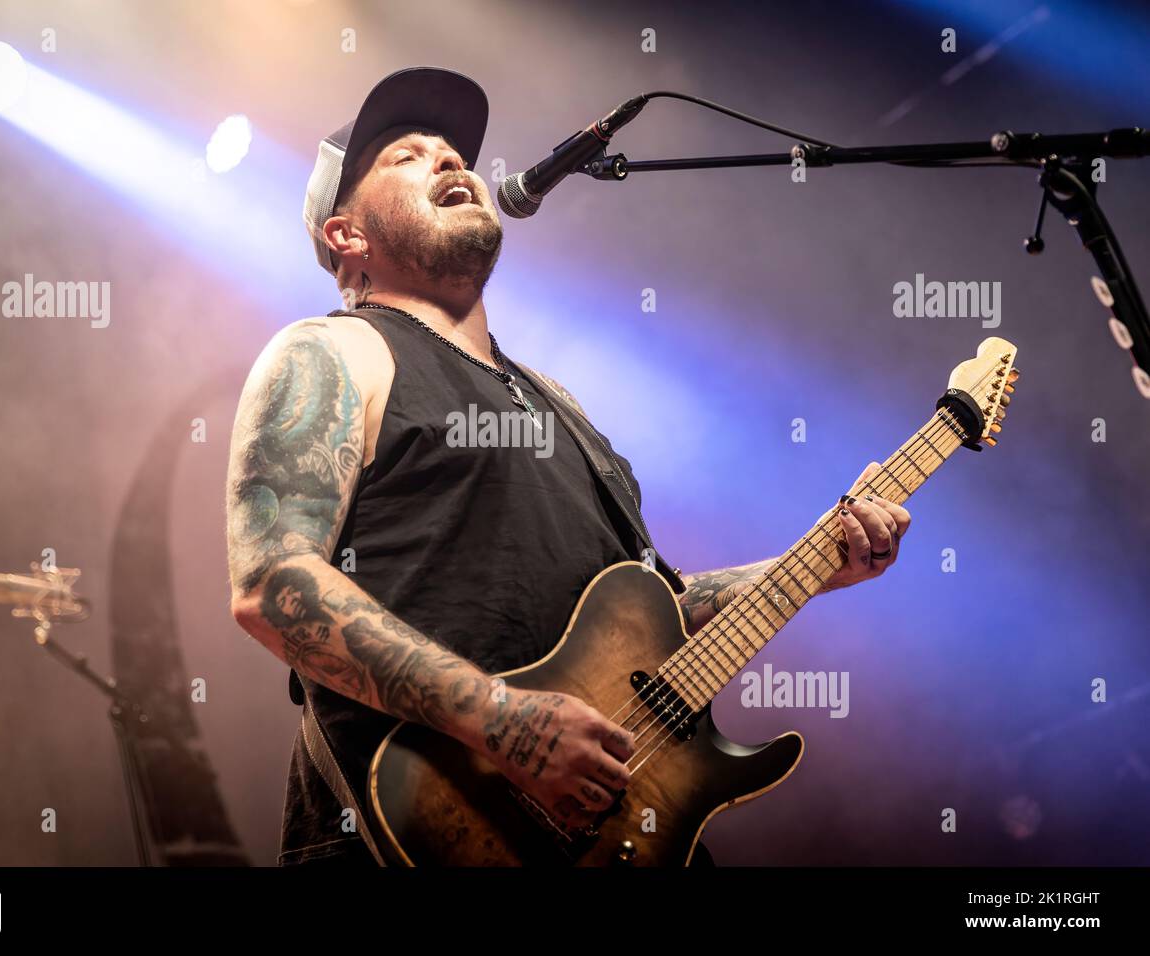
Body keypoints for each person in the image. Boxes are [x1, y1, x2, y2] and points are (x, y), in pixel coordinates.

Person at [225, 67, 910, 867]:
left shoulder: (559, 405)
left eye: (453, 153)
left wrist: (823, 560)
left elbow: (657, 614)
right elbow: (272, 584)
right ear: (347, 236)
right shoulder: (335, 352)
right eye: (408, 157)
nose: (450, 162)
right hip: (424, 836)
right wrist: (506, 722)